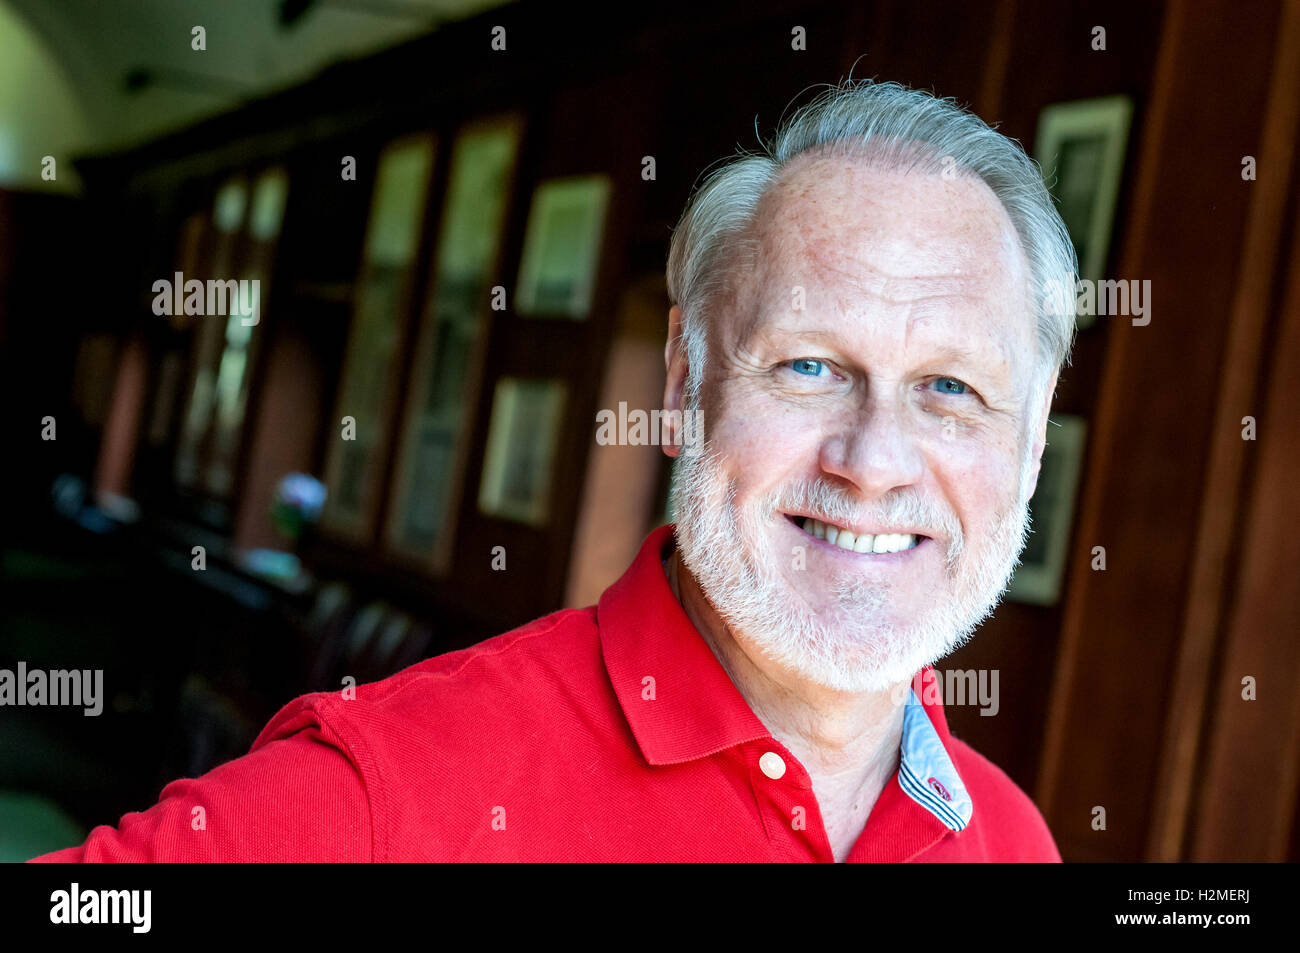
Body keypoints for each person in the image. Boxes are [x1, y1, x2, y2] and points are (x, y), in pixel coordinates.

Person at [33, 78, 1072, 863]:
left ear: (1026, 452)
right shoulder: (395, 790)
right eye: (806, 366)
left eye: (951, 389)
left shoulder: (1011, 836)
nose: (873, 461)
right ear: (681, 387)